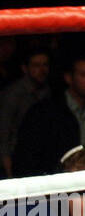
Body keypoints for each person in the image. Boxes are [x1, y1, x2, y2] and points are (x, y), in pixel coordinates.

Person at [12, 54, 85, 176]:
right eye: (84, 75)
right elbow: (26, 157)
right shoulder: (45, 112)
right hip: (53, 185)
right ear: (68, 78)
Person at [0, 46, 51, 176]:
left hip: (39, 158)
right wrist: (10, 174)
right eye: (36, 65)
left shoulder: (48, 91)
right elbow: (3, 136)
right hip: (15, 160)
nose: (42, 70)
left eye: (45, 65)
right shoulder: (12, 95)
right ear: (25, 68)